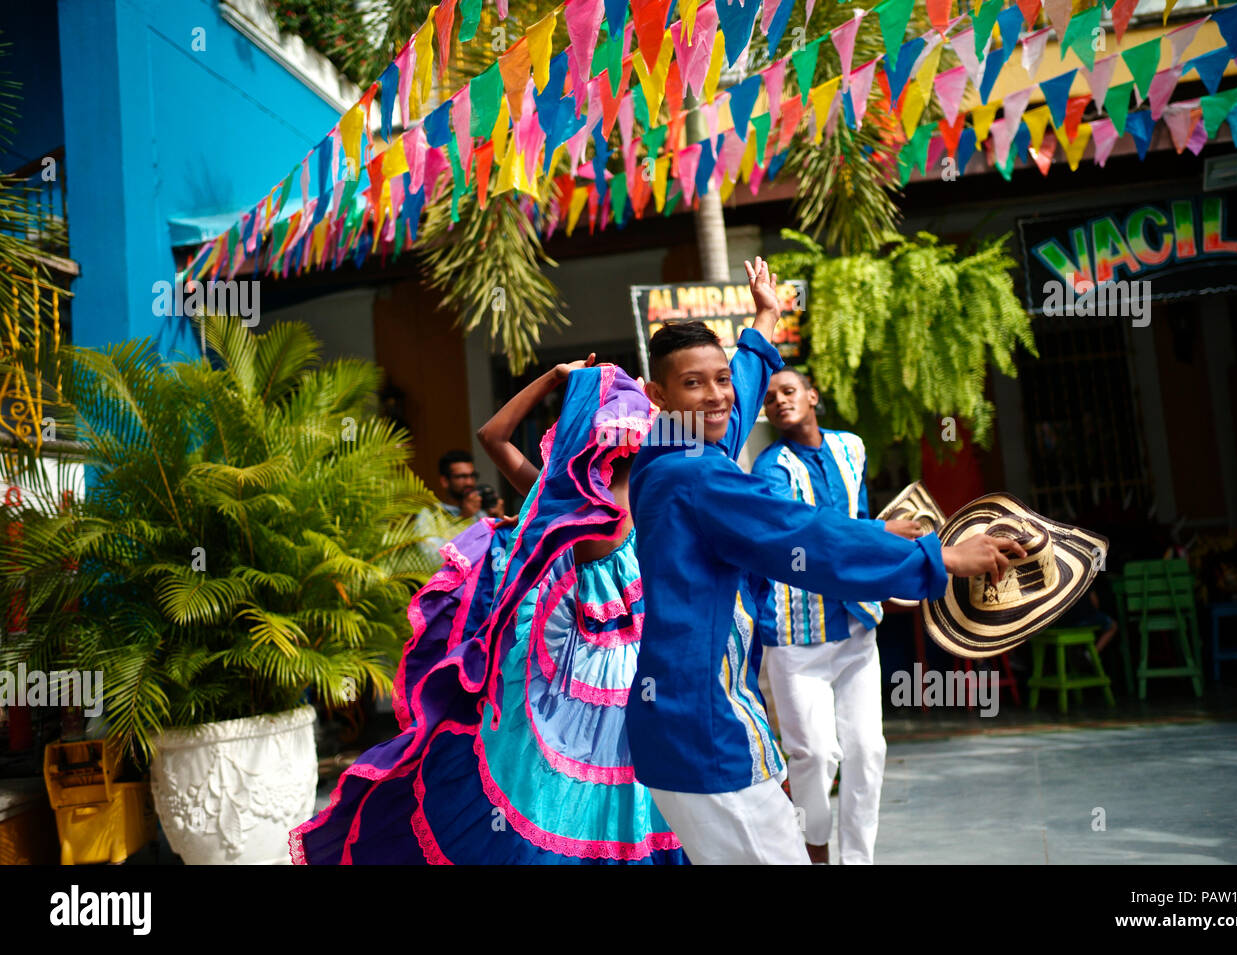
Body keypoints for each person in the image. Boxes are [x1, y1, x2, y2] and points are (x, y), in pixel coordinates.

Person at [289, 259, 783, 864]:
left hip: (638, 674)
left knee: (633, 812)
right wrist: (558, 379)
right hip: (612, 678)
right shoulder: (584, 505)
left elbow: (496, 436)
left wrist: (557, 380)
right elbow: (495, 437)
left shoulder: (633, 485)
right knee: (635, 814)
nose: (628, 433)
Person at [626, 297, 1028, 865]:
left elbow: (731, 399)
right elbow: (809, 538)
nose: (717, 395)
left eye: (722, 379)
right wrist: (939, 559)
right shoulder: (699, 476)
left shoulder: (667, 451)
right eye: (695, 384)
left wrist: (762, 327)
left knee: (863, 753)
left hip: (683, 724)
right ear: (658, 397)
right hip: (705, 729)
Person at [751, 368, 923, 865]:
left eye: (789, 391)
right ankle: (814, 850)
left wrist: (881, 560)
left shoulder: (852, 447)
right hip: (795, 634)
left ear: (812, 396)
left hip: (854, 626)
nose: (780, 401)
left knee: (869, 752)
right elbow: (808, 533)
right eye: (770, 397)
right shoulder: (770, 470)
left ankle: (857, 861)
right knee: (816, 755)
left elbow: (851, 513)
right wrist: (880, 530)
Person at [414, 450, 482, 567]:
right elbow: (432, 559)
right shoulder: (429, 515)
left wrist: (499, 518)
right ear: (445, 481)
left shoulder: (480, 512)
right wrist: (463, 520)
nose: (469, 482)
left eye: (472, 476)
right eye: (462, 477)